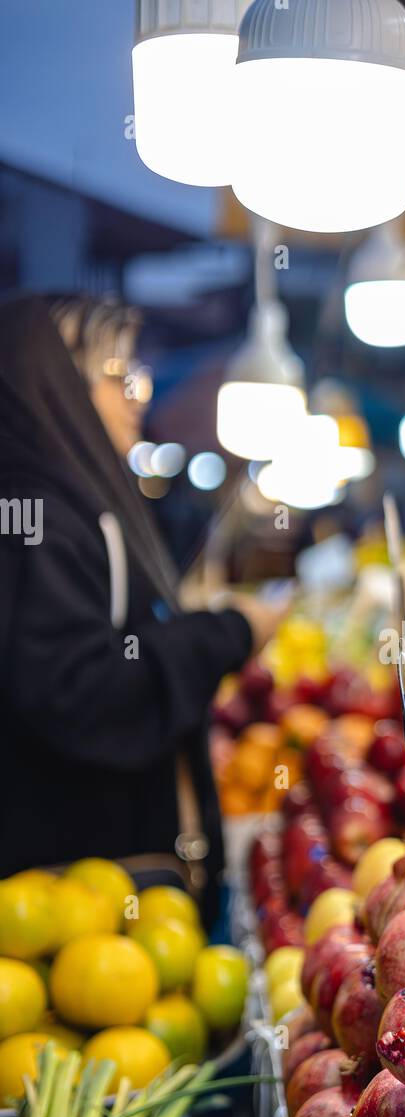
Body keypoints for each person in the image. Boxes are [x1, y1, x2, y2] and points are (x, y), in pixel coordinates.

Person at [0, 294, 282, 920]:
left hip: (102, 902)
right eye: (115, 376)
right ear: (50, 385)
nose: (139, 396)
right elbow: (81, 688)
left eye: (140, 376)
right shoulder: (33, 513)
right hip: (72, 910)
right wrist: (229, 632)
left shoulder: (72, 503)